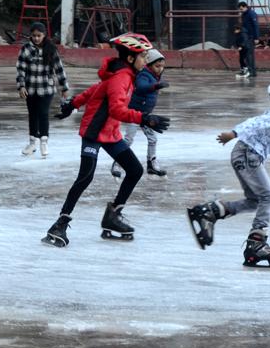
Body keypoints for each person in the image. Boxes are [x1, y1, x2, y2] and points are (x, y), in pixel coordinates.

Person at [42, 33, 171, 248]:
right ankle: (59, 224)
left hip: (110, 134)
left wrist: (74, 103)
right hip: (94, 132)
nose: (146, 61)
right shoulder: (122, 78)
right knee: (85, 178)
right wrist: (144, 118)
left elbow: (96, 90)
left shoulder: (124, 75)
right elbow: (116, 109)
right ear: (130, 58)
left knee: (135, 170)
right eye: (143, 56)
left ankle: (113, 215)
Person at [186, 73, 270, 268]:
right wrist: (234, 133)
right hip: (247, 155)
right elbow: (255, 122)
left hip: (247, 155)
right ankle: (256, 243)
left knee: (255, 201)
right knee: (269, 197)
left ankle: (211, 212)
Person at [111, 48, 169, 178]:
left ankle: (152, 165)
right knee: (128, 139)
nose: (160, 69)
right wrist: (155, 86)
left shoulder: (156, 76)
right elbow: (142, 87)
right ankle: (117, 163)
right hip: (134, 113)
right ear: (149, 64)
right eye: (157, 66)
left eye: (162, 66)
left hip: (146, 115)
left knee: (153, 138)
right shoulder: (144, 75)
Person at [16, 21, 69, 158]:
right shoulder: (26, 49)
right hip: (31, 89)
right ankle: (32, 142)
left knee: (43, 113)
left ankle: (44, 142)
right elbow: (20, 69)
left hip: (46, 88)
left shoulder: (51, 49)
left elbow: (59, 68)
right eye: (34, 36)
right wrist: (21, 86)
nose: (36, 38)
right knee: (33, 114)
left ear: (44, 35)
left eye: (39, 35)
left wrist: (64, 87)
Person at [238, 1, 259, 77]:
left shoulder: (251, 14)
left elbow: (255, 25)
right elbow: (243, 25)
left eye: (241, 9)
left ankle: (251, 72)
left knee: (249, 55)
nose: (240, 10)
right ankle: (251, 72)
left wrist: (256, 37)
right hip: (246, 37)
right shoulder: (244, 14)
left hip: (251, 37)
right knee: (247, 55)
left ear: (245, 7)